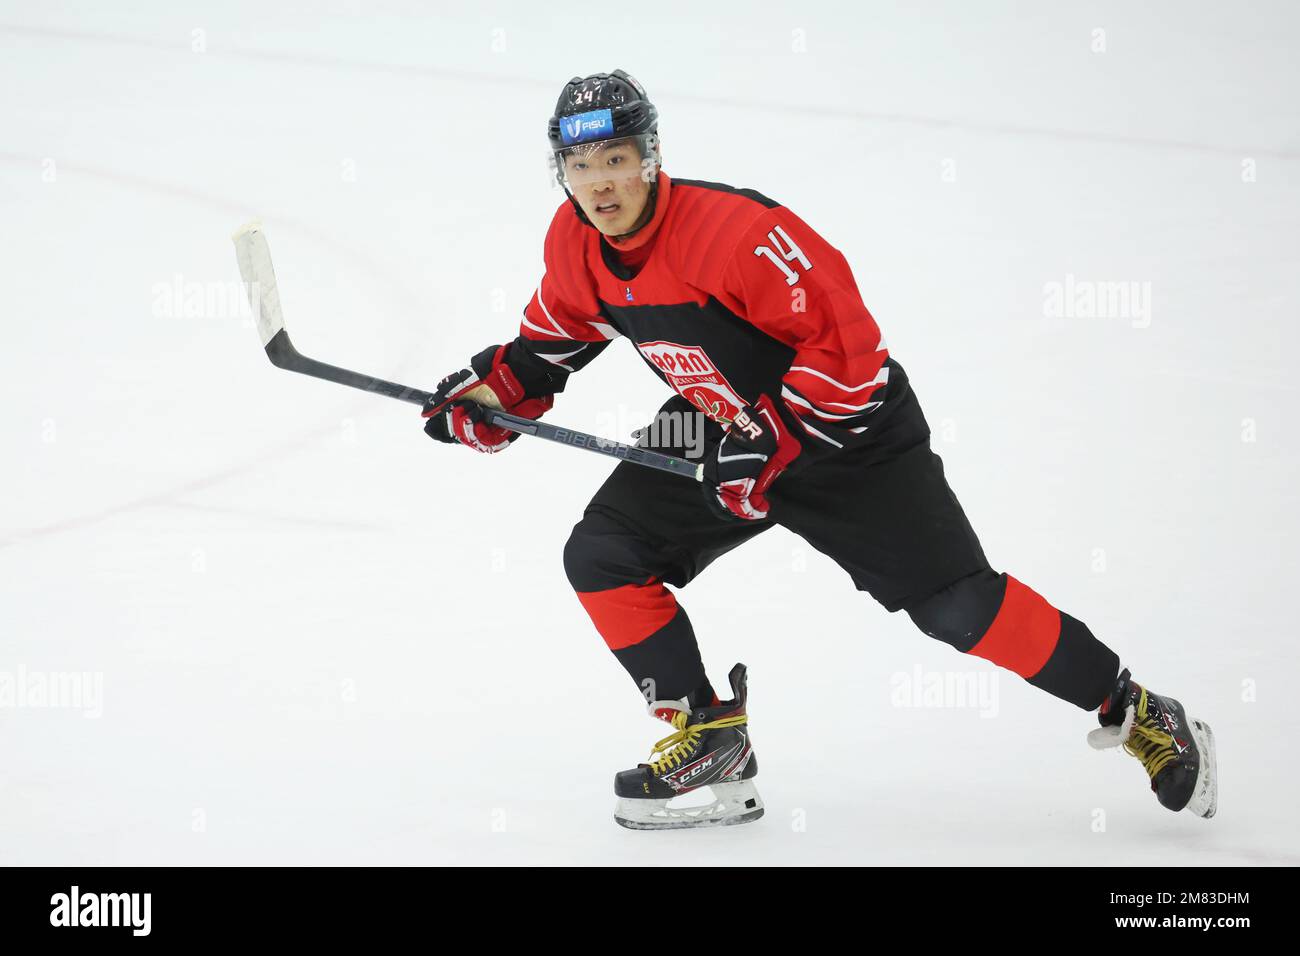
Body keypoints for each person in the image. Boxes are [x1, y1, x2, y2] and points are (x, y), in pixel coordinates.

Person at [421, 69, 1218, 830]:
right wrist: (493, 398)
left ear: (653, 157)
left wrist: (775, 442)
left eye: (617, 161)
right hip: (720, 424)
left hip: (851, 442)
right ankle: (712, 739)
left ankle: (1136, 708)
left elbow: (849, 351)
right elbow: (551, 340)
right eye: (580, 165)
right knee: (603, 553)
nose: (600, 184)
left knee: (960, 609)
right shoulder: (575, 242)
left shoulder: (737, 234)